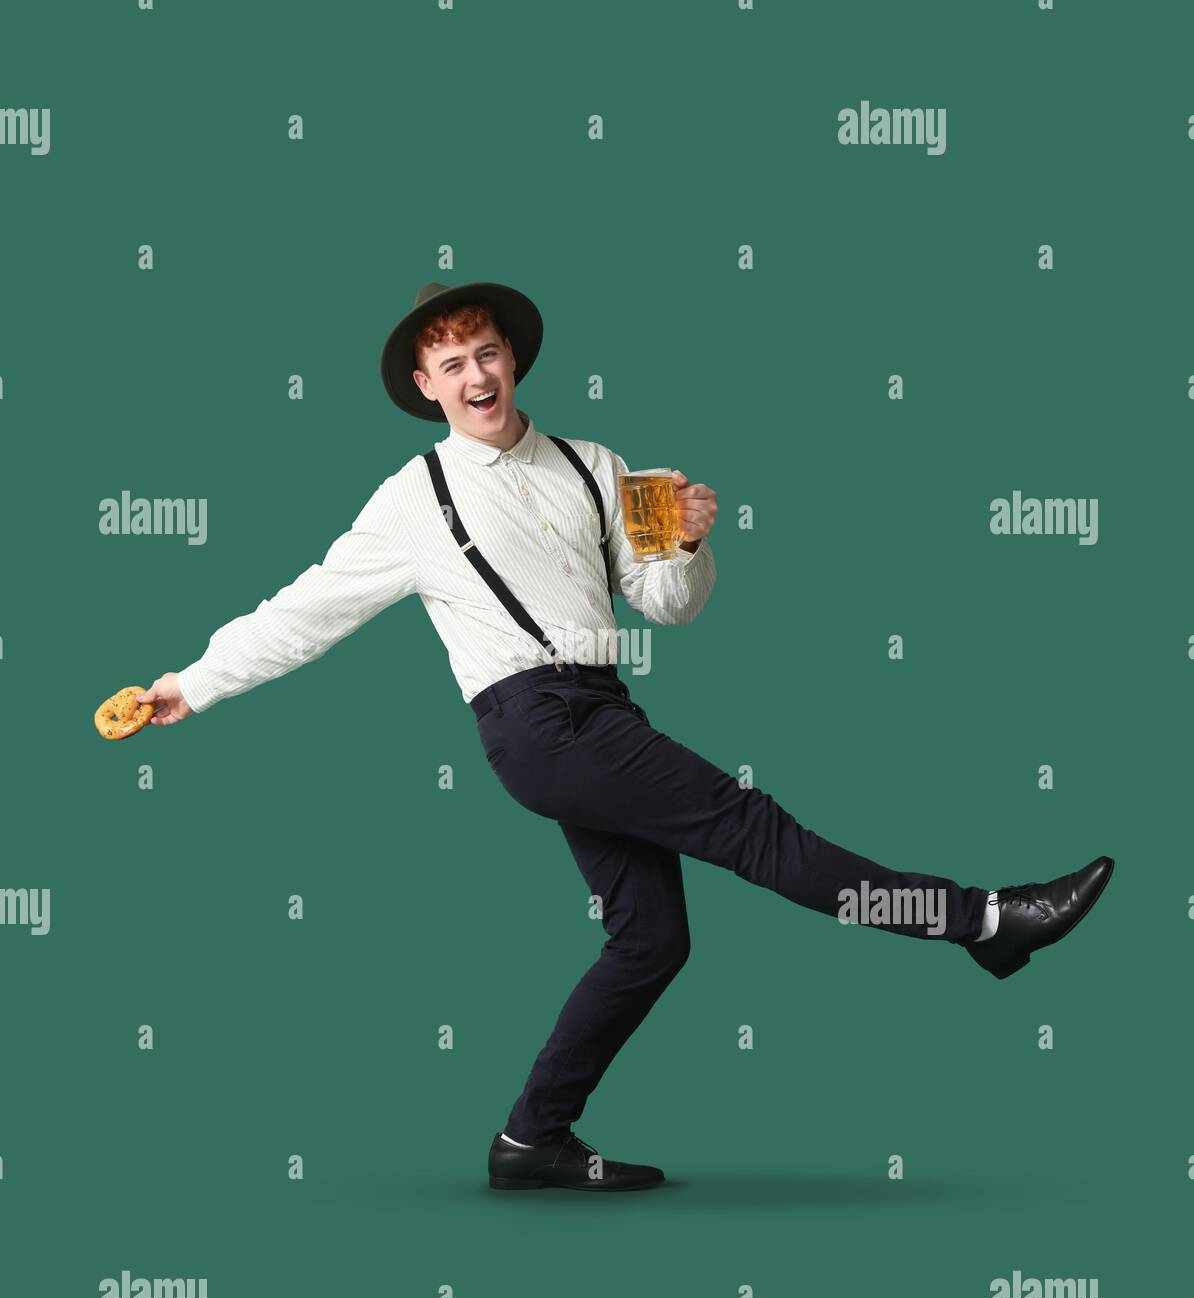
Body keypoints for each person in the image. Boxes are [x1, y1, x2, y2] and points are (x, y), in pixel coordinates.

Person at [137, 280, 1115, 1194]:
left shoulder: (604, 467)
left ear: (512, 357)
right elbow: (306, 608)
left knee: (651, 939)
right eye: (452, 365)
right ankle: (984, 921)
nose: (476, 377)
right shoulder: (412, 498)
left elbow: (669, 607)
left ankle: (530, 1139)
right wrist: (191, 682)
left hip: (604, 709)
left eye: (487, 352)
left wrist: (686, 539)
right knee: (752, 827)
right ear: (422, 385)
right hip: (533, 725)